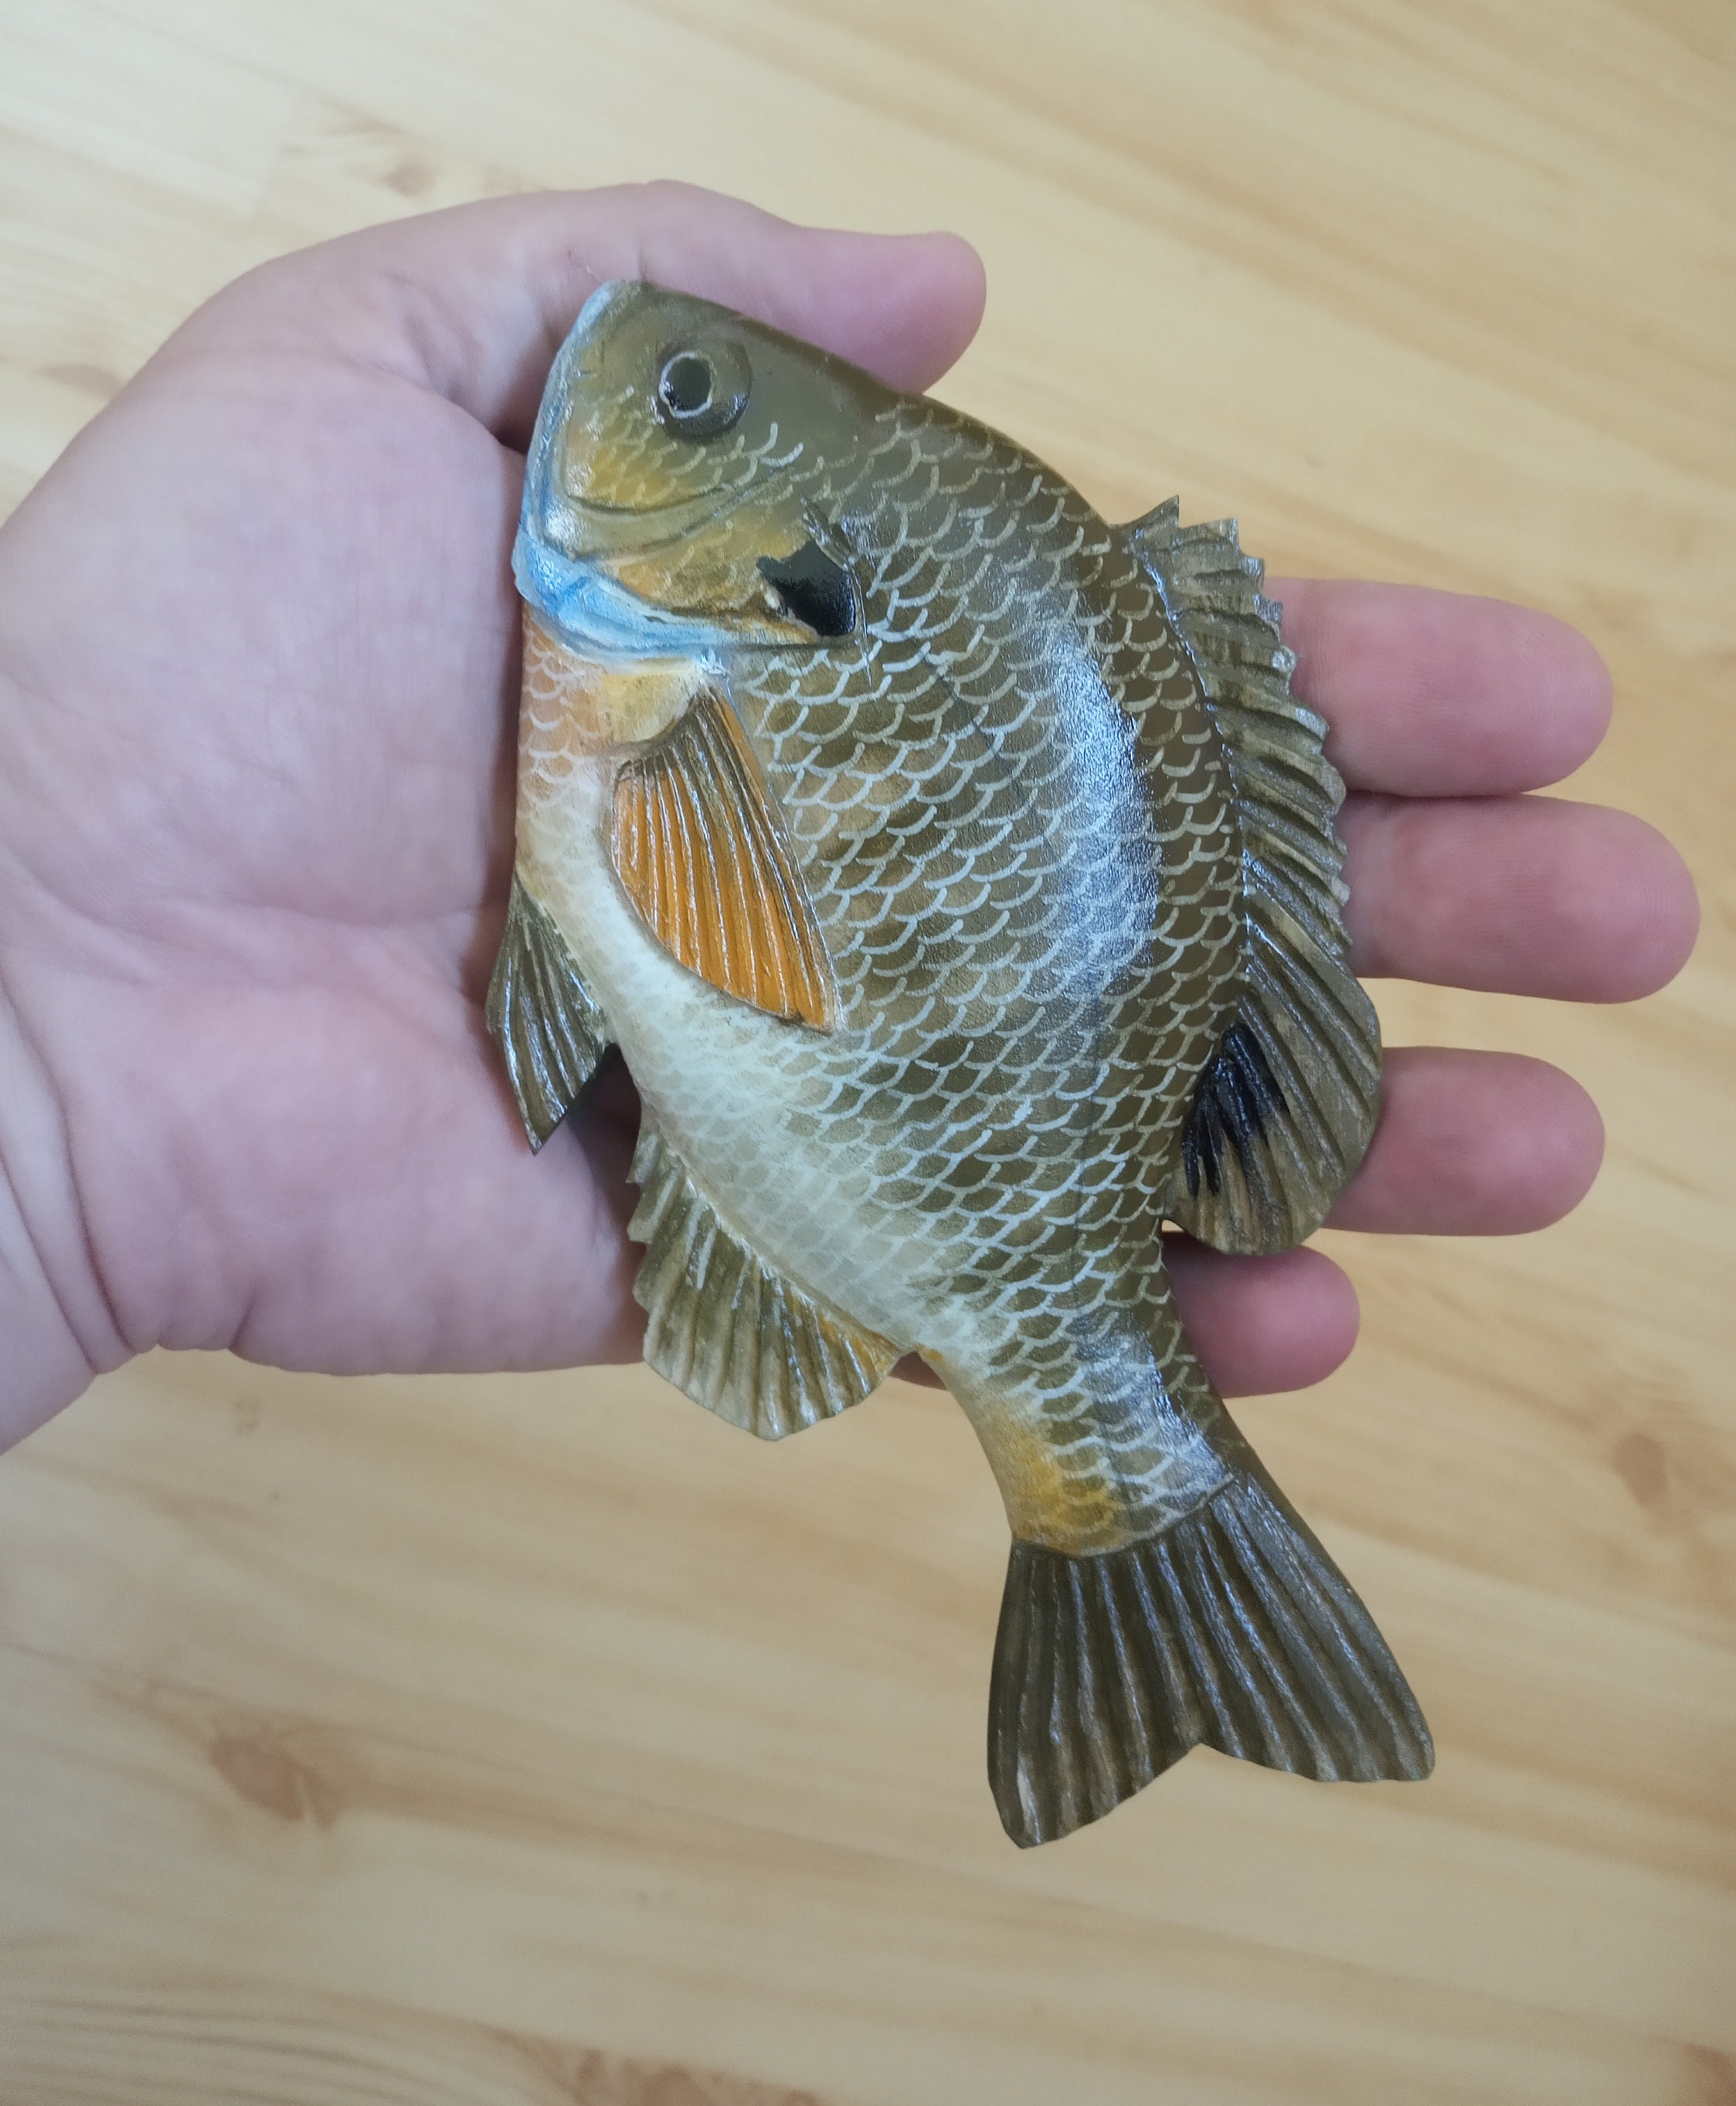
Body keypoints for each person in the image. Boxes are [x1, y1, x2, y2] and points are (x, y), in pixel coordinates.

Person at [0, 185, 1698, 1454]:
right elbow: (662, 900)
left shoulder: (675, 698)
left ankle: (1116, 1481)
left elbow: (647, 902)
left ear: (779, 561)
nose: (636, 378)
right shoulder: (664, 696)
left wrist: (57, 1111)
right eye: (701, 399)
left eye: (692, 406)